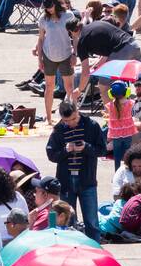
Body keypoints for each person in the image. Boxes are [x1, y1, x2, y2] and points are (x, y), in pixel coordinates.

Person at [44, 101, 106, 242]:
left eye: (73, 119)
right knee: (68, 221)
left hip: (87, 180)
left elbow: (102, 149)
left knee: (92, 222)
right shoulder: (59, 129)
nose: (71, 123)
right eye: (67, 120)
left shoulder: (92, 125)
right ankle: (71, 250)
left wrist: (86, 147)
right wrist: (65, 150)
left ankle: (94, 249)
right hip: (66, 181)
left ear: (77, 112)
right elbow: (51, 154)